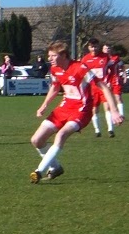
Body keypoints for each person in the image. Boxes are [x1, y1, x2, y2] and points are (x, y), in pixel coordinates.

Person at [29, 40, 123, 183]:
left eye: (53, 56)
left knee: (61, 135)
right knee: (36, 140)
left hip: (82, 110)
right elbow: (55, 87)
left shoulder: (80, 68)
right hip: (63, 108)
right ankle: (55, 167)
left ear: (64, 55)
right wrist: (44, 105)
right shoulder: (55, 69)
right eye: (49, 56)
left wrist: (114, 110)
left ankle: (39, 171)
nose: (49, 59)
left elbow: (103, 86)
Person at [80, 38, 113, 138]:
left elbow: (112, 70)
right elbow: (82, 73)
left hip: (104, 87)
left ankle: (110, 129)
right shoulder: (85, 59)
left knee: (107, 106)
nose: (94, 48)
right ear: (89, 47)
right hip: (92, 88)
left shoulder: (105, 57)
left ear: (99, 46)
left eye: (95, 46)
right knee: (95, 109)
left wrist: (109, 81)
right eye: (92, 47)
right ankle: (97, 130)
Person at [102, 43, 125, 118]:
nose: (107, 50)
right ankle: (111, 116)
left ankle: (121, 115)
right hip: (105, 80)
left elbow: (120, 66)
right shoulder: (101, 58)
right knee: (107, 100)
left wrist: (124, 75)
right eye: (105, 48)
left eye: (108, 48)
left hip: (115, 79)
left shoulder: (115, 58)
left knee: (117, 96)